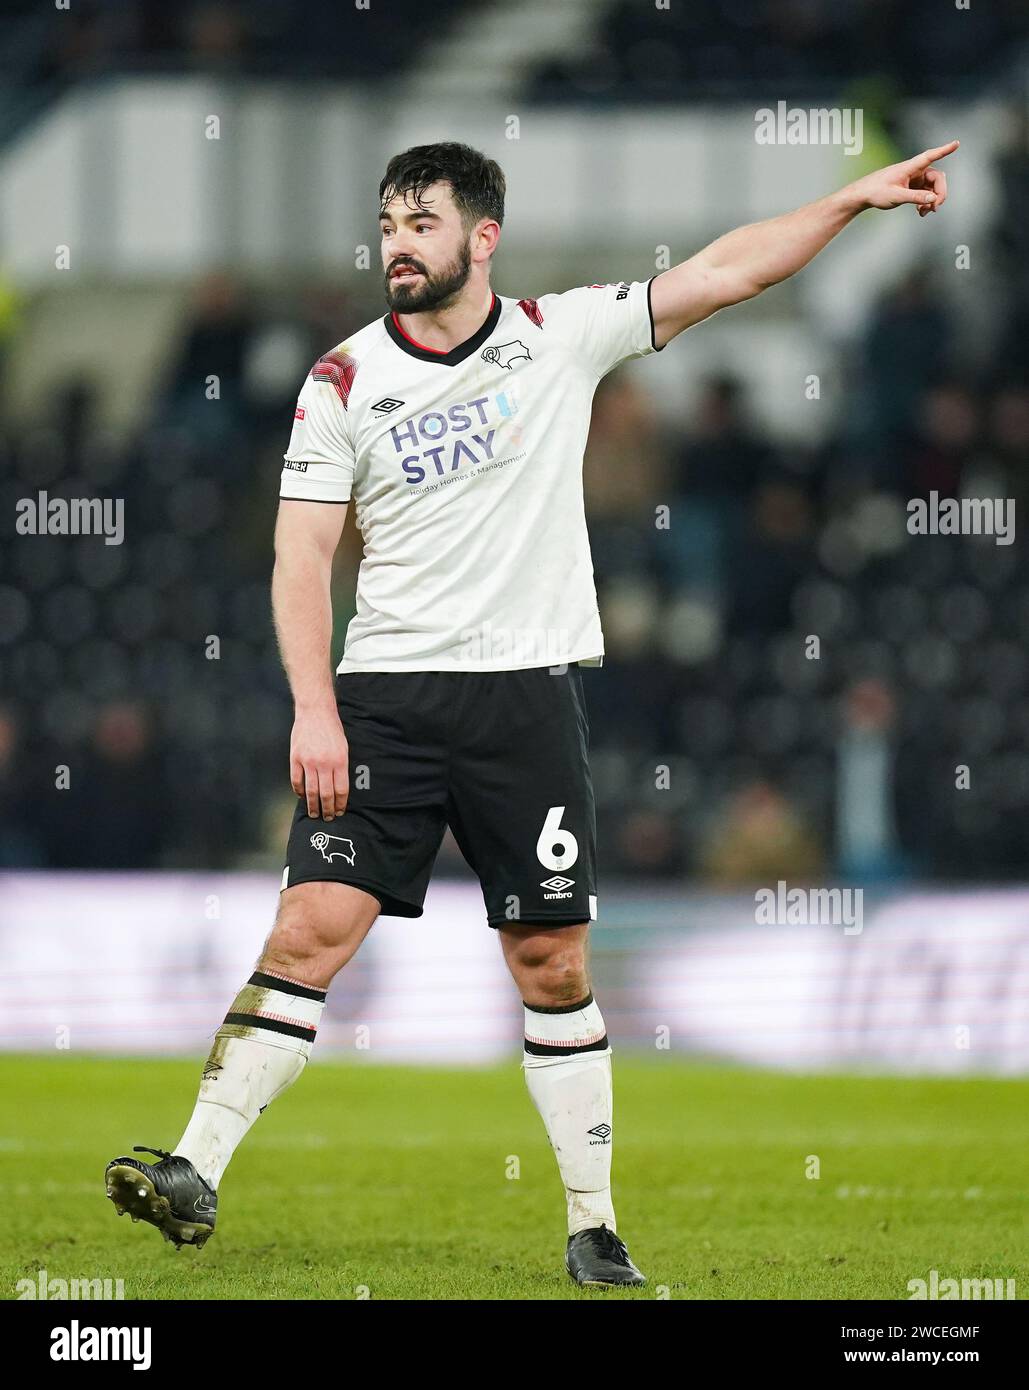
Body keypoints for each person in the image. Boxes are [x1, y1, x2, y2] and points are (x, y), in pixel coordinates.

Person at [106, 135, 957, 1287]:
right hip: (386, 705)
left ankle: (593, 1226)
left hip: (524, 703)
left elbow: (727, 271)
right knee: (310, 926)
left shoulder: (560, 336)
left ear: (482, 236)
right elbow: (300, 558)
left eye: (421, 225)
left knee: (551, 961)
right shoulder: (342, 379)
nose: (397, 247)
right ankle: (196, 1167)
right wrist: (316, 707)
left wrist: (851, 200)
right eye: (390, 226)